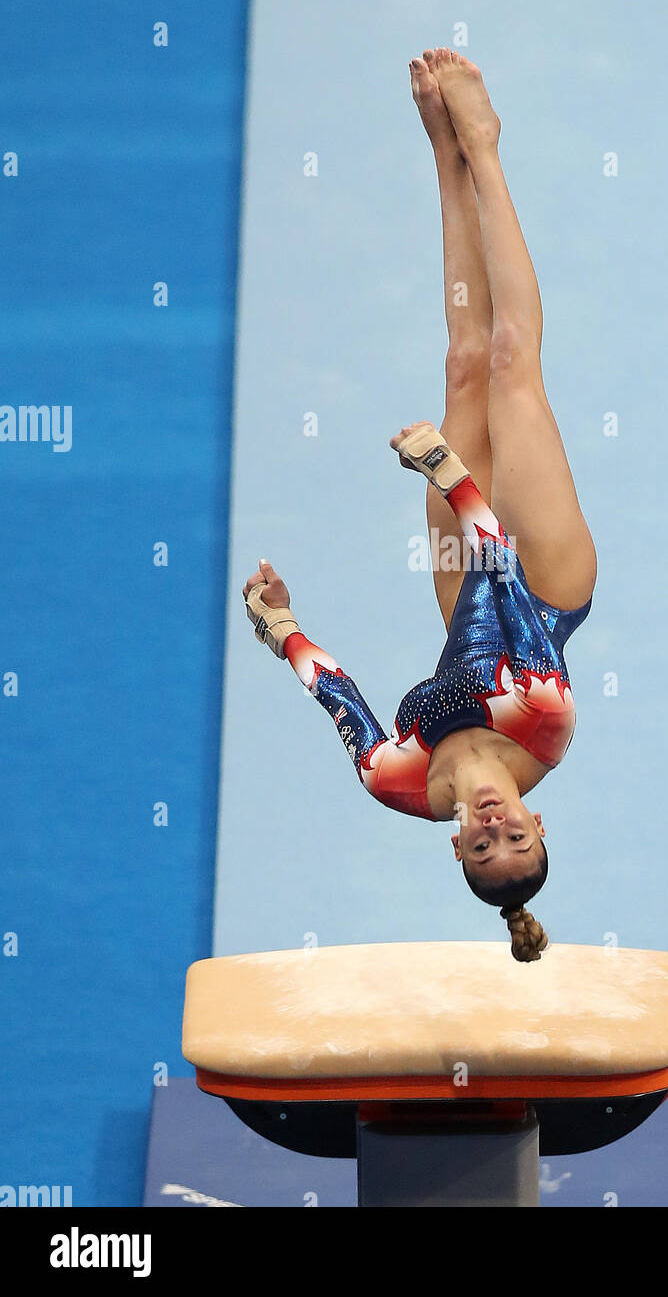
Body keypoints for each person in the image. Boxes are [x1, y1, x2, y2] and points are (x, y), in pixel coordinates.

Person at [243, 50, 596, 960]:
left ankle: (441, 153)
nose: (493, 826)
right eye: (514, 836)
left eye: (482, 847)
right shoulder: (543, 720)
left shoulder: (395, 780)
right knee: (514, 369)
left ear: (457, 845)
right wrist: (447, 474)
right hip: (540, 585)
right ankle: (484, 144)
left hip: (462, 598)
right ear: (537, 819)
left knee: (461, 364)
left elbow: (338, 696)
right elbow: (504, 573)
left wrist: (278, 626)